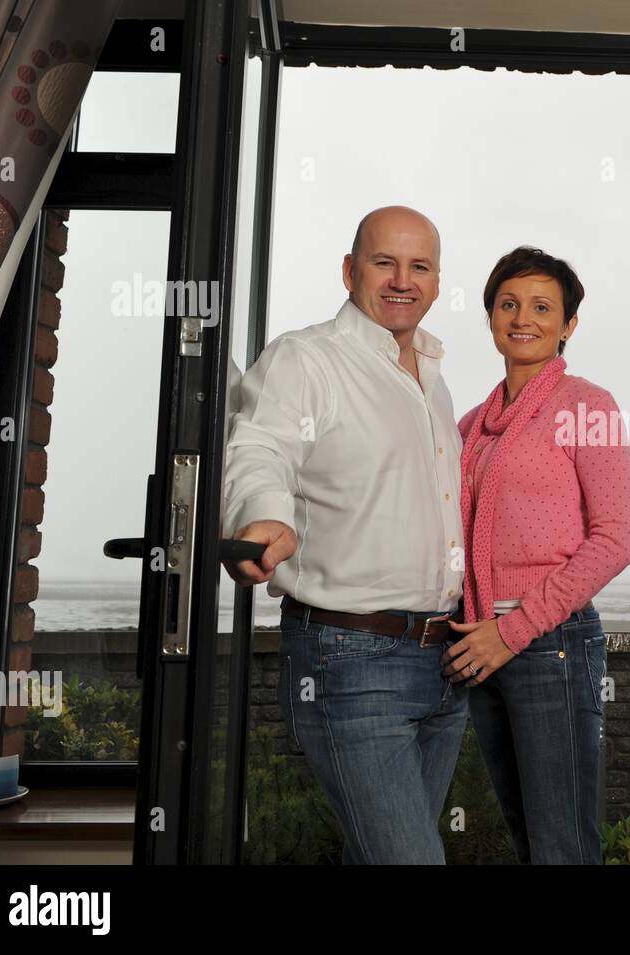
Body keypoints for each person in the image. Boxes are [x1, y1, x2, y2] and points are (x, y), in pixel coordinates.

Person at [221, 205, 467, 864]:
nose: (401, 279)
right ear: (350, 269)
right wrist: (261, 515)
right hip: (352, 659)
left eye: (419, 266)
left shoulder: (434, 384)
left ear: (438, 282)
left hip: (443, 663)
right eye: (384, 261)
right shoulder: (305, 360)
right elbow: (259, 450)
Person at [440, 246, 630, 864]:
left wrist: (514, 630)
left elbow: (615, 540)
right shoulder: (471, 422)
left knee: (563, 846)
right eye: (508, 303)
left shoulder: (590, 405)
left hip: (548, 641)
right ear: (491, 316)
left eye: (543, 307)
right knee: (528, 840)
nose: (523, 317)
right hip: (479, 641)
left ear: (569, 325)